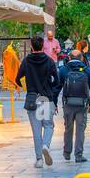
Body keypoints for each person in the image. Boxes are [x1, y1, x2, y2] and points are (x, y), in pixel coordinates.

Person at [15, 35, 60, 168]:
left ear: (31, 46)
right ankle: (46, 145)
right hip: (45, 98)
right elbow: (56, 81)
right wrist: (49, 85)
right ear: (43, 46)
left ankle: (39, 159)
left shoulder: (26, 61)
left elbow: (18, 78)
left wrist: (26, 86)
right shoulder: (49, 61)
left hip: (32, 99)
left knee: (36, 130)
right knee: (48, 125)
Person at [57, 48, 90, 162]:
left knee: (68, 128)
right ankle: (78, 155)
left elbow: (57, 87)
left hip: (68, 103)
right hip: (82, 104)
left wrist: (54, 103)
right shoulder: (86, 70)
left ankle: (66, 152)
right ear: (82, 58)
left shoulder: (64, 70)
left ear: (69, 58)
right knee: (80, 129)